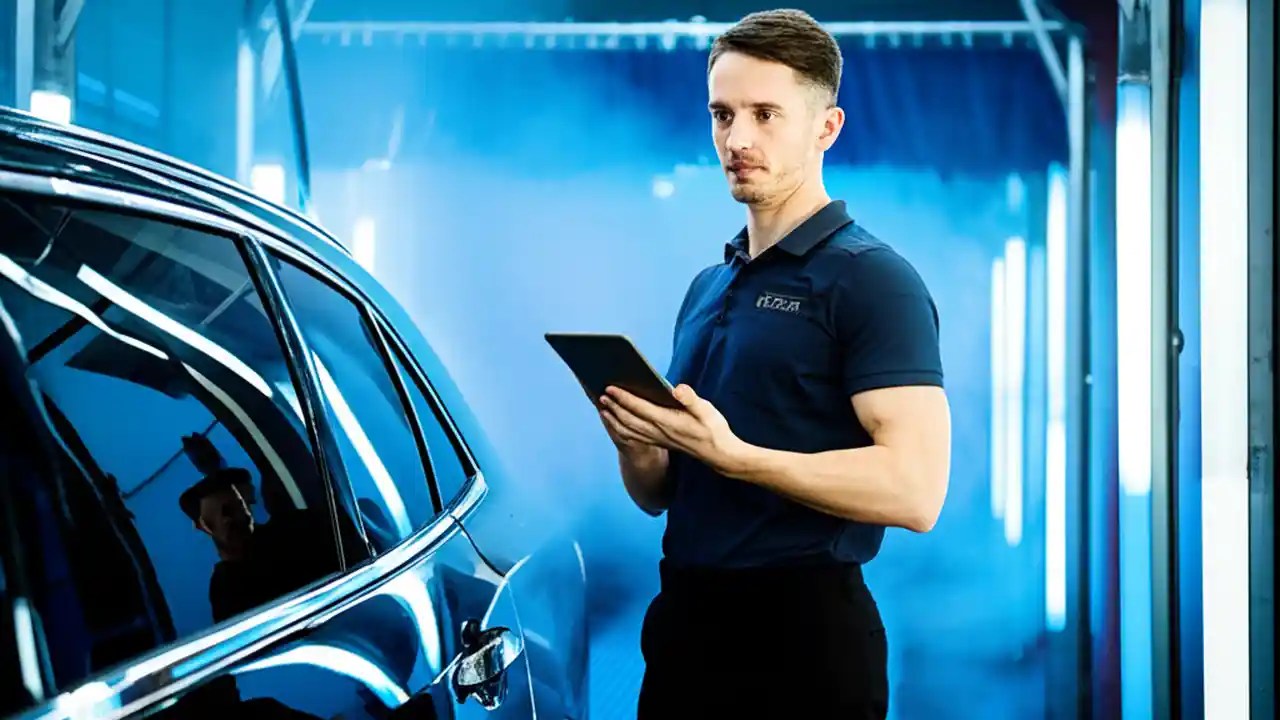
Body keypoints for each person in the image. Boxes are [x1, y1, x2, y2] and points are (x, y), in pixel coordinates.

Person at [595, 9, 952, 718]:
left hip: (804, 639)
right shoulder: (709, 285)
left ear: (827, 128)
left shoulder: (873, 280)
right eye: (722, 114)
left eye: (765, 114)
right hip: (686, 628)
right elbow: (661, 497)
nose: (738, 138)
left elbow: (916, 491)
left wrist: (739, 457)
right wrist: (641, 451)